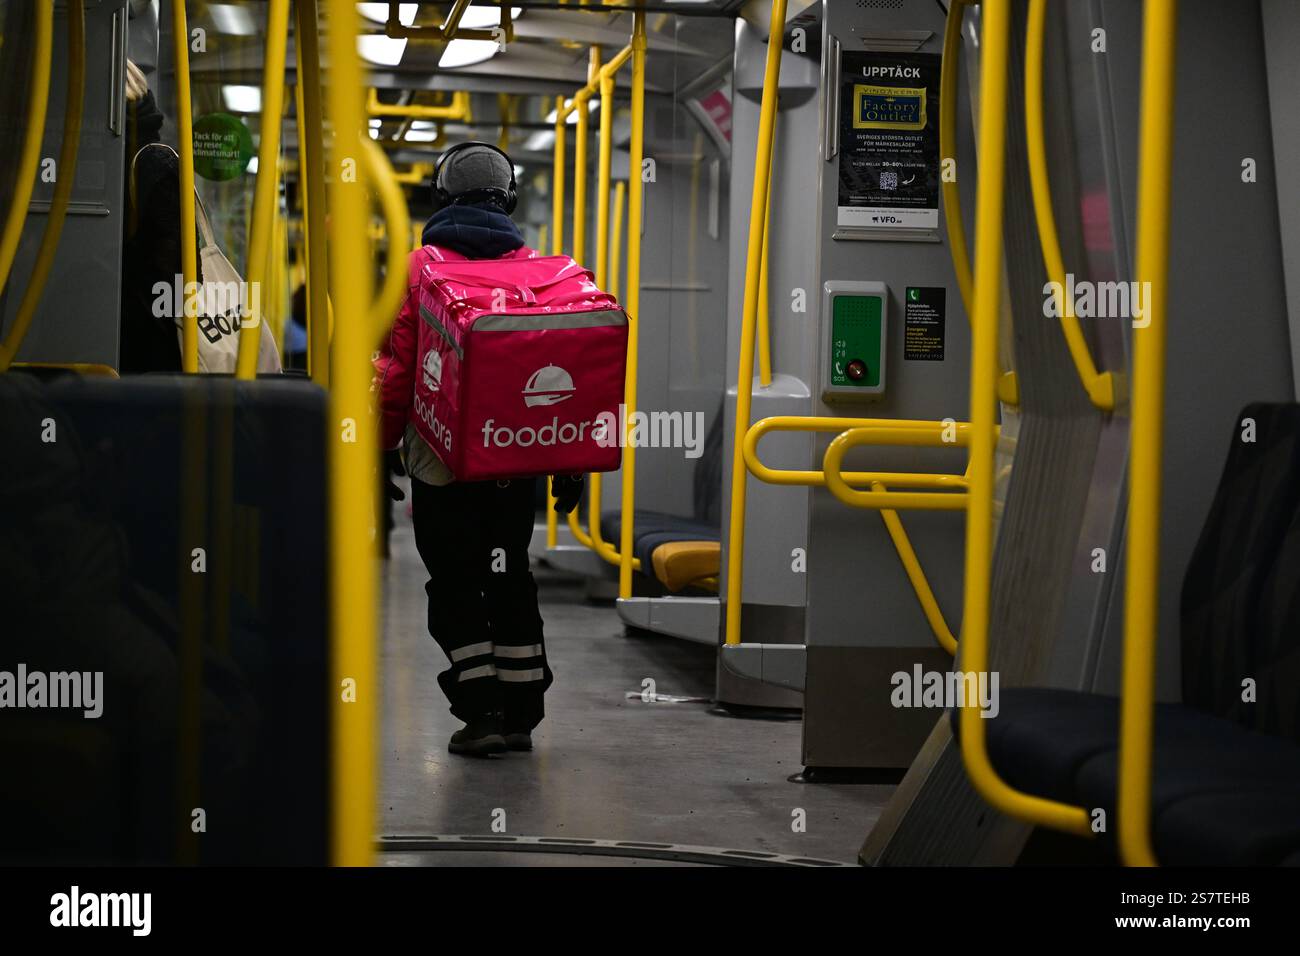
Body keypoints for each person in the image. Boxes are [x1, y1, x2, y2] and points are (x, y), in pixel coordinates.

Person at [374, 143, 584, 756]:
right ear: (510, 200)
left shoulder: (420, 267)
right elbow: (560, 372)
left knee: (454, 581)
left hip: (439, 464)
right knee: (509, 574)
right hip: (511, 462)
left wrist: (380, 449)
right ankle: (522, 712)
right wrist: (568, 462)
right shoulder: (536, 271)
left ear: (441, 198)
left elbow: (397, 370)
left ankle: (482, 709)